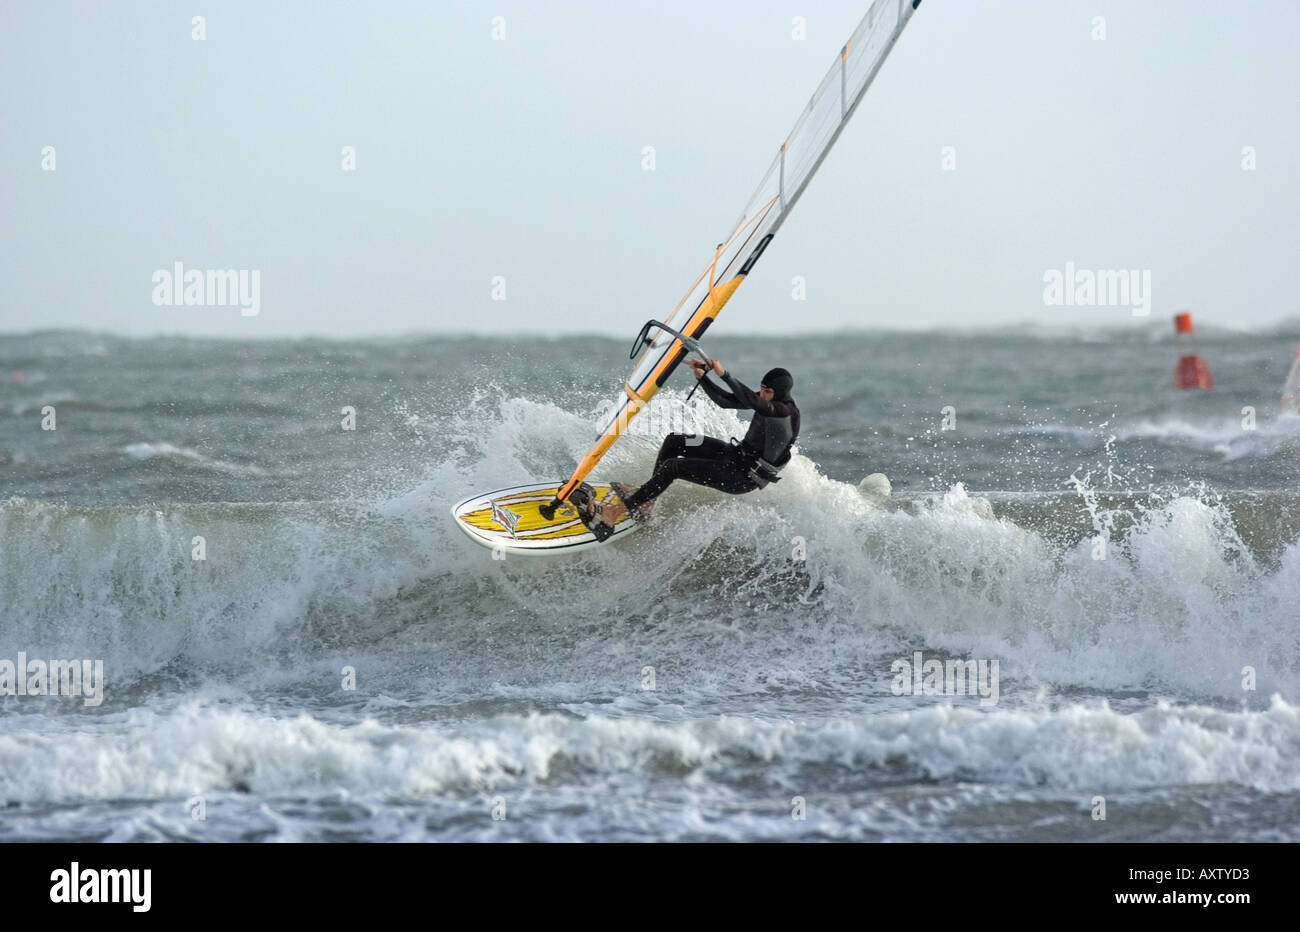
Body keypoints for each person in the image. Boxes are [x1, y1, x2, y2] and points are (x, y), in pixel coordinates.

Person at [598, 360, 799, 526]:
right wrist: (703, 379)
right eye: (762, 389)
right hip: (734, 456)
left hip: (742, 476)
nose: (762, 394)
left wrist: (725, 374)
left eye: (767, 391)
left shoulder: (785, 413)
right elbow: (726, 401)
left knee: (672, 467)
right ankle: (646, 501)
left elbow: (755, 403)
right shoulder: (767, 401)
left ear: (779, 393)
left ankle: (617, 512)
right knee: (674, 441)